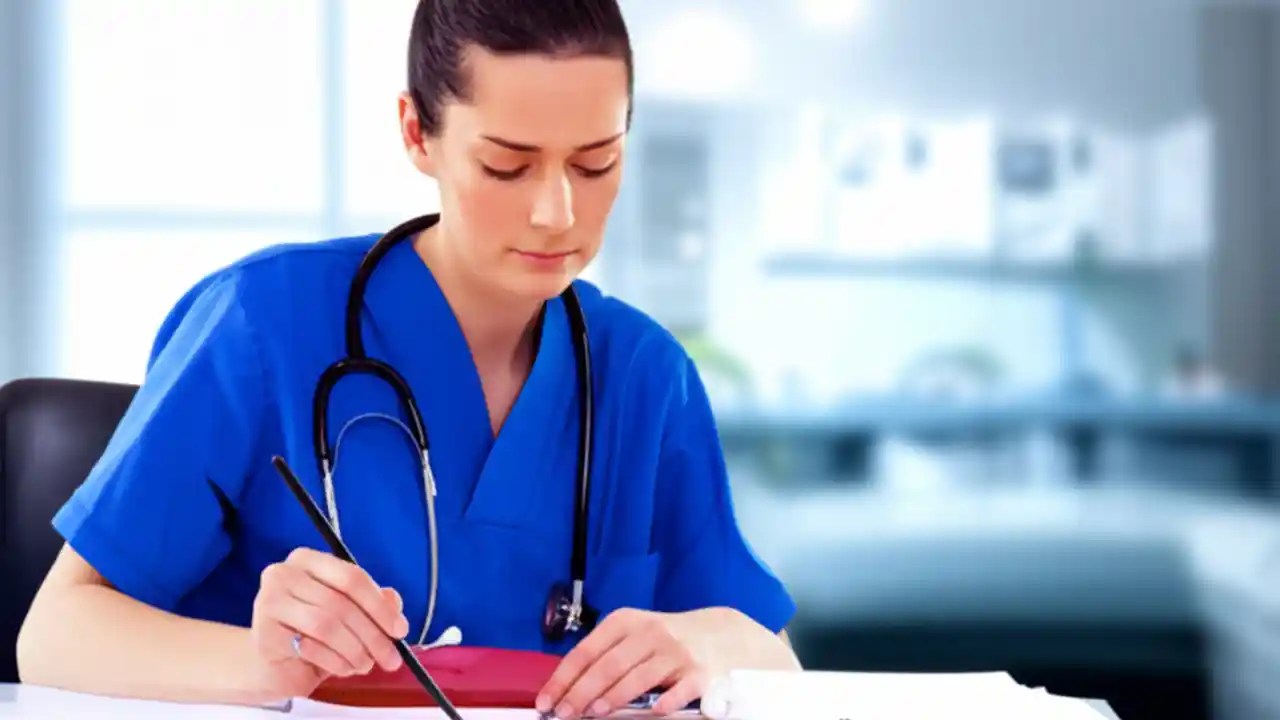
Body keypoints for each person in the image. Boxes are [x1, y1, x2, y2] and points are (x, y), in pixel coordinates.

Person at [15, 1, 799, 718]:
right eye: (506, 164)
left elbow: (773, 659)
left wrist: (716, 645)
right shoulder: (262, 324)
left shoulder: (646, 376)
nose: (557, 212)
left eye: (596, 163)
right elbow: (53, 634)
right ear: (417, 133)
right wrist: (261, 665)